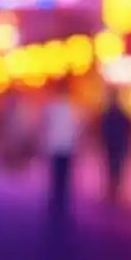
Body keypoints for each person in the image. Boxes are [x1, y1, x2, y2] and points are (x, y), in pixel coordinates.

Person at [40, 80, 81, 241]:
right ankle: (60, 201)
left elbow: (45, 127)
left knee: (58, 175)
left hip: (58, 146)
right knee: (62, 176)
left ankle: (57, 201)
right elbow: (78, 129)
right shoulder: (71, 108)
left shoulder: (54, 108)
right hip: (64, 146)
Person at [99, 92, 131, 205]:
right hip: (117, 144)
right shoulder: (120, 114)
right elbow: (129, 127)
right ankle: (115, 190)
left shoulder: (109, 114)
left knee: (113, 166)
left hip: (114, 144)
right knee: (116, 167)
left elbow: (103, 128)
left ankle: (113, 190)